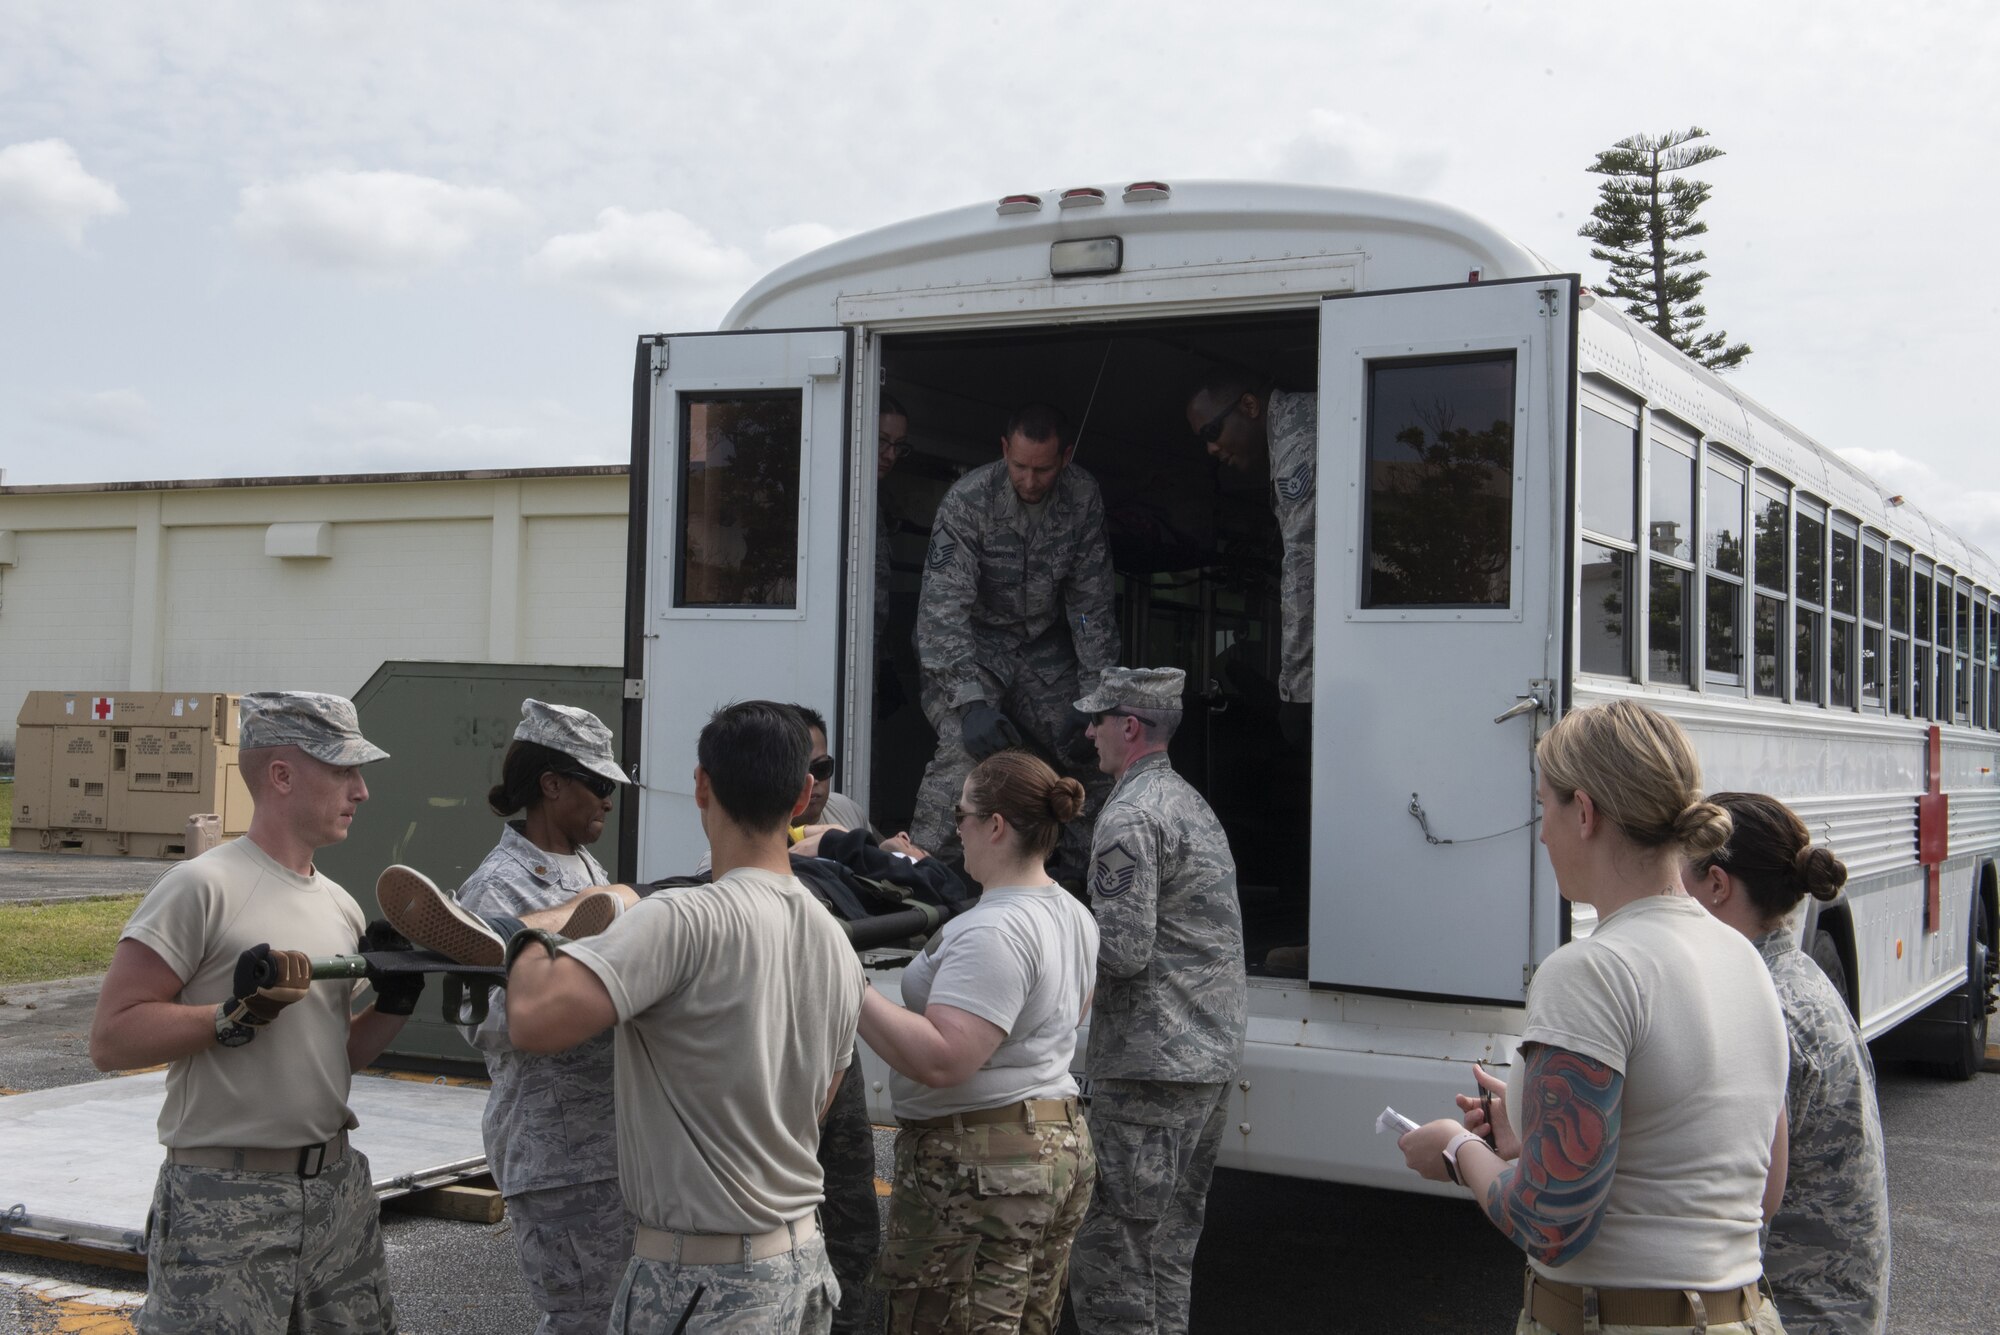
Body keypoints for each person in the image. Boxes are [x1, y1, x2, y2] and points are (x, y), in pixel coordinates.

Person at [1397, 699, 1790, 1335]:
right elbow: (1760, 1191)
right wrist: (1526, 1140)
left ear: (1584, 813)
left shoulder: (1591, 971)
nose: (1541, 830)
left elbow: (1549, 1223)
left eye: (1543, 804)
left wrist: (1455, 1146)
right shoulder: (1744, 959)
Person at [504, 700, 867, 1334]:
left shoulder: (680, 917)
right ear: (806, 793)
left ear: (701, 785)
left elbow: (533, 1019)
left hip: (702, 1281)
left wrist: (539, 931)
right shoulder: (832, 935)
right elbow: (819, 1102)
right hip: (801, 1262)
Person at [88, 691, 412, 1333]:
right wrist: (230, 1016)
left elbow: (328, 1058)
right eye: (344, 770)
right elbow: (112, 1037)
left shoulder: (341, 906)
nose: (361, 790)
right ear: (283, 775)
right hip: (224, 1199)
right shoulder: (202, 887)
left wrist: (395, 1004)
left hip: (334, 1191)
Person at [859, 750, 1099, 1335]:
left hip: (983, 1165)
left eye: (961, 814)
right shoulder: (1070, 912)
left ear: (995, 825)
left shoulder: (992, 930)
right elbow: (1066, 1017)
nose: (955, 829)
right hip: (1051, 1144)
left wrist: (847, 989)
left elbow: (946, 1059)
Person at [1066, 668, 1246, 1335]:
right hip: (1206, 1058)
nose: (1089, 732)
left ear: (1129, 726)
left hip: (1149, 1068)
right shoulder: (1186, 801)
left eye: (1096, 720)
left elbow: (1121, 950)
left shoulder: (1130, 814)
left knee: (1113, 1259)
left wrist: (1048, 930)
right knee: (1166, 1251)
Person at [454, 699, 634, 1335]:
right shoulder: (496, 890)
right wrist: (590, 995)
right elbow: (483, 1021)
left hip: (611, 1139)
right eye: (599, 783)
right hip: (557, 1150)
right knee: (584, 1318)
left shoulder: (586, 868)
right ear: (552, 785)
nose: (609, 798)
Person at [1683, 793, 1891, 1335]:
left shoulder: (1759, 1008)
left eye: (1678, 874)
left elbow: (1728, 1230)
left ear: (1717, 885)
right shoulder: (1794, 976)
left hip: (1794, 1315)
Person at [912, 402, 1118, 873]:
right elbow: (943, 611)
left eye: (1043, 469)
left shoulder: (1082, 496)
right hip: (972, 650)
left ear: (1065, 457)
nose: (1029, 480)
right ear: (1004, 450)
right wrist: (970, 703)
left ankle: (1094, 881)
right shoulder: (968, 501)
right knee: (962, 757)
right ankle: (917, 882)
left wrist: (1094, 699)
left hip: (1043, 650)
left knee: (1095, 747)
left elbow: (1091, 609)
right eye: (1019, 466)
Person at [1184, 369, 1316, 747]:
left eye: (1212, 432)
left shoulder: (1296, 449)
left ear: (1249, 405)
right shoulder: (1308, 414)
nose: (1210, 448)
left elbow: (1304, 576)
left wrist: (1298, 693)